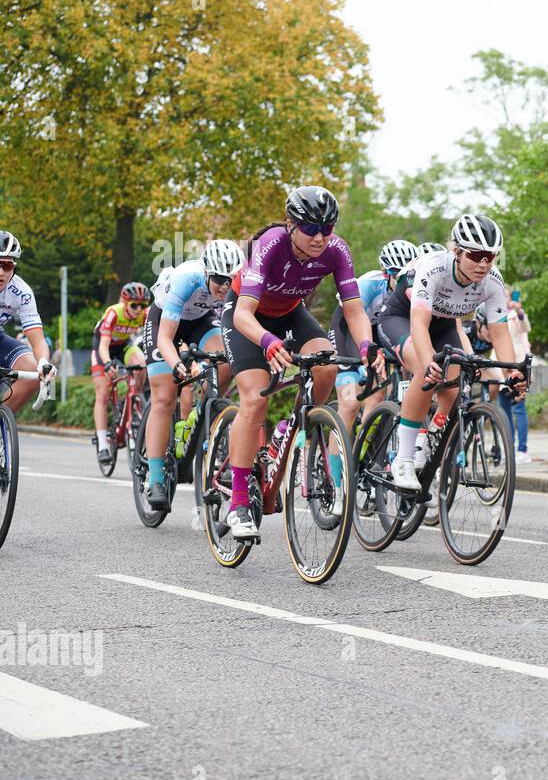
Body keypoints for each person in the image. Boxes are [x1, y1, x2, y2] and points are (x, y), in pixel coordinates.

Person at [220, 185, 378, 539]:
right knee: (254, 398)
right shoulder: (271, 244)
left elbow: (354, 309)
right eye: (310, 229)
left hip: (291, 313)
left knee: (327, 365)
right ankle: (240, 503)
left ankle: (295, 425)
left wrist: (367, 345)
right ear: (290, 224)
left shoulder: (337, 251)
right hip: (248, 317)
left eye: (327, 228)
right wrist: (267, 340)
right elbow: (244, 313)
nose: (320, 238)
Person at [376, 213, 527, 491]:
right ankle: (404, 459)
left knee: (459, 379)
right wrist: (428, 361)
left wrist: (512, 372)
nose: (483, 264)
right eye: (476, 254)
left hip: (443, 324)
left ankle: (432, 435)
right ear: (457, 251)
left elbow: (500, 333)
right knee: (426, 370)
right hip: (401, 319)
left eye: (490, 256)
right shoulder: (434, 269)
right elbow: (419, 325)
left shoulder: (492, 281)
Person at [139, 239, 241, 510]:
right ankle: (156, 478)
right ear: (207, 273)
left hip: (200, 320)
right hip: (165, 320)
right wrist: (175, 364)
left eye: (230, 280)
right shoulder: (186, 278)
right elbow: (165, 338)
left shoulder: (233, 287)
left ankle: (205, 410)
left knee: (227, 361)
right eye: (219, 279)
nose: (224, 286)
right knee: (164, 396)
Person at [331, 238, 420, 439]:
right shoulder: (369, 285)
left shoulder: (415, 291)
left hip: (379, 332)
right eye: (397, 274)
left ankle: (362, 452)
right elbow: (354, 318)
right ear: (385, 272)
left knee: (379, 395)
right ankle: (338, 469)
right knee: (350, 404)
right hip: (348, 332)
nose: (403, 279)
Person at [91, 282, 150, 463]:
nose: (139, 309)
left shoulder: (144, 316)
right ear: (125, 303)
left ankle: (134, 397)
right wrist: (108, 364)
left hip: (124, 346)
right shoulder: (113, 313)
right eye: (134, 305)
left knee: (142, 364)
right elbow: (103, 346)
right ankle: (102, 445)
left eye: (143, 305)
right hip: (104, 348)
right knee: (102, 393)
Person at [0, 231, 56, 412]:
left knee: (33, 371)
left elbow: (38, 339)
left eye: (6, 265)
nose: (1, 271)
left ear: (14, 268)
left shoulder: (22, 292)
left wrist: (43, 363)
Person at [498, 288, 532, 462]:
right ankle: (508, 449)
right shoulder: (493, 314)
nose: (503, 298)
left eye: (505, 295)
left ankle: (522, 450)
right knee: (504, 412)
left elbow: (526, 328)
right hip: (500, 369)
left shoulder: (514, 316)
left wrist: (519, 311)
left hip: (516, 366)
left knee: (519, 409)